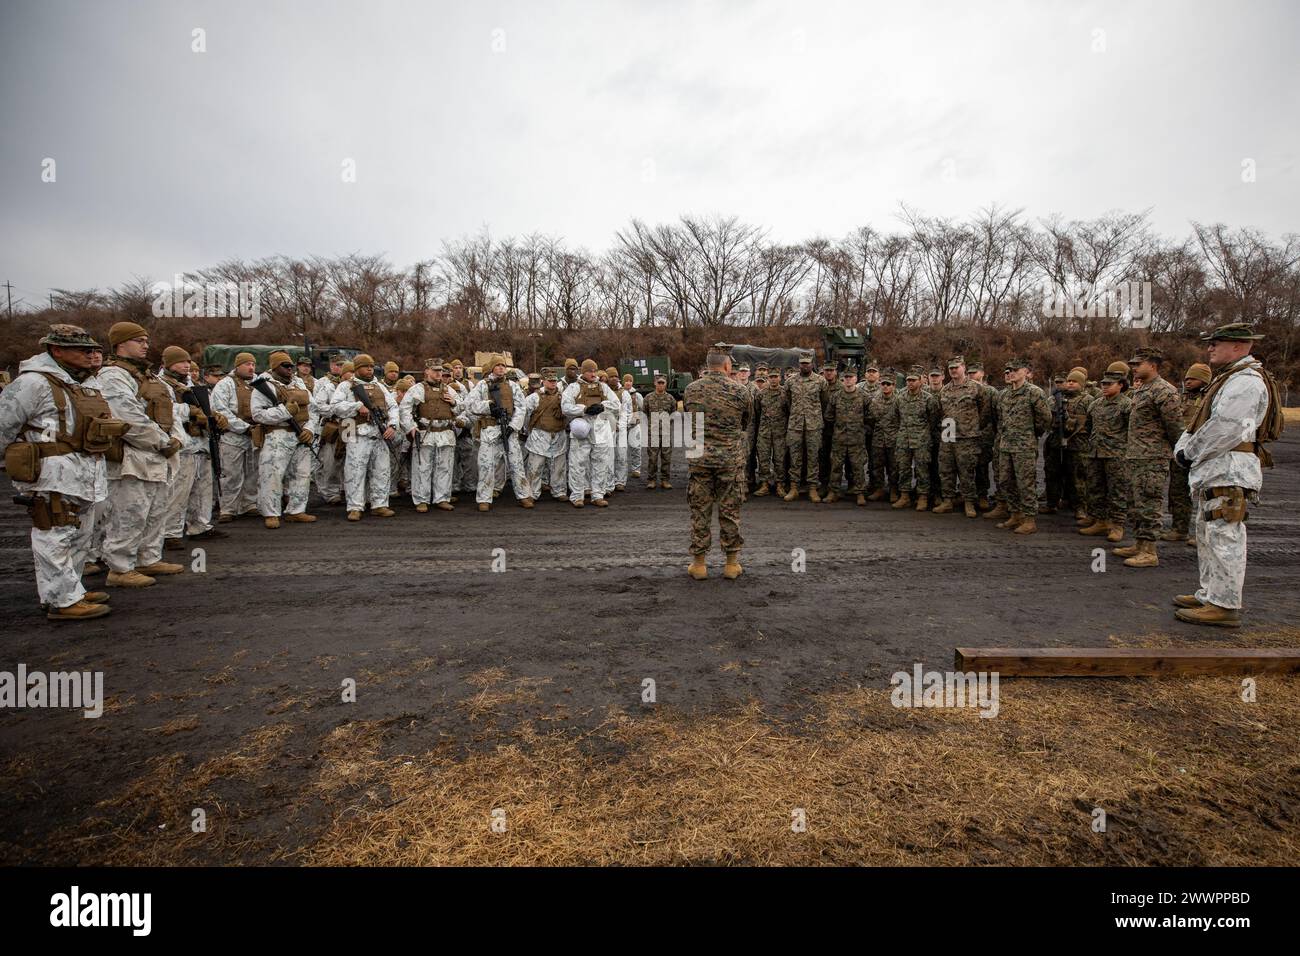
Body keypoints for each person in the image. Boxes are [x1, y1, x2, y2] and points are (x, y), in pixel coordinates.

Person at [0, 324, 126, 619]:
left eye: (92, 350)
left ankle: (72, 589)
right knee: (54, 533)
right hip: (52, 472)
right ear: (56, 350)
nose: (90, 355)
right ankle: (60, 599)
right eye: (81, 350)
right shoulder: (33, 382)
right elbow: (4, 425)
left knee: (80, 535)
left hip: (86, 470)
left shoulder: (81, 382)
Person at [1174, 323, 1278, 627]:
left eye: (1216, 343)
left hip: (1228, 469)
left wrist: (1188, 453)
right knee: (1208, 534)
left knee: (1224, 535)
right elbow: (1200, 423)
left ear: (1238, 346)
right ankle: (1211, 593)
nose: (1210, 348)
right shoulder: (1229, 379)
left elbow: (1226, 427)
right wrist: (1186, 447)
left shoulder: (1245, 383)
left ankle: (1225, 604)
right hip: (1217, 469)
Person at [96, 322, 186, 585]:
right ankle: (120, 567)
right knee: (129, 511)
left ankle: (148, 558)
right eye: (138, 341)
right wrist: (161, 441)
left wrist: (177, 439)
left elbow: (172, 411)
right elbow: (126, 415)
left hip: (160, 455)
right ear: (121, 344)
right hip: (133, 456)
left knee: (156, 510)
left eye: (146, 340)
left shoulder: (150, 377)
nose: (145, 345)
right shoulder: (112, 375)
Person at [1112, 347, 1185, 568]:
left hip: (1153, 457)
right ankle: (1139, 544)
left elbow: (1175, 427)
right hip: (1135, 456)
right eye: (1132, 364)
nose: (1133, 368)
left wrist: (1177, 452)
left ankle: (1150, 551)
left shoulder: (1164, 391)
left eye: (1138, 364)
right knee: (1135, 503)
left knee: (1149, 504)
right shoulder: (1142, 390)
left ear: (1152, 365)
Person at [684, 347, 750, 580]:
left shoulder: (691, 390)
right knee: (729, 511)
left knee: (700, 511)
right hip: (729, 460)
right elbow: (745, 422)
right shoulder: (740, 391)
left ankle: (699, 565)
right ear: (726, 367)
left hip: (700, 459)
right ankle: (731, 564)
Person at [250, 350, 319, 528]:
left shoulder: (299, 384)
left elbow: (313, 410)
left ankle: (296, 510)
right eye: (285, 366)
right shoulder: (263, 385)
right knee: (271, 475)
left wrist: (310, 430)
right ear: (274, 367)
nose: (290, 369)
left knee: (302, 474)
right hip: (277, 434)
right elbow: (258, 414)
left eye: (291, 366)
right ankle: (271, 513)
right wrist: (285, 412)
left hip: (301, 435)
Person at [329, 353, 399, 521]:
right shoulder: (346, 386)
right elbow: (335, 406)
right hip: (358, 434)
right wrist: (357, 406)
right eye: (365, 367)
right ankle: (355, 506)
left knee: (381, 470)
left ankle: (379, 504)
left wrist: (393, 425)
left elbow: (393, 406)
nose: (369, 369)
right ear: (357, 369)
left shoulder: (379, 386)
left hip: (379, 434)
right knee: (355, 470)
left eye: (371, 366)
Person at [989, 358, 1051, 534]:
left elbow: (1045, 419)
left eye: (1016, 369)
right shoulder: (1004, 395)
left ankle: (1029, 519)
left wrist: (1031, 433)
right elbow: (999, 420)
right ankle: (1015, 514)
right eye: (1009, 370)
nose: (1011, 373)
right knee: (1005, 481)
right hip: (1006, 445)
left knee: (1026, 483)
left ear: (1026, 372)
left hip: (1024, 446)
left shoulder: (1034, 393)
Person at [461, 356, 531, 511]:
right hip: (490, 430)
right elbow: (469, 405)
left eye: (503, 365)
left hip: (509, 430)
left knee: (517, 465)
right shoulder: (483, 385)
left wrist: (513, 426)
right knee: (486, 466)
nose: (501, 368)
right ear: (492, 368)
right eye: (497, 365)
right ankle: (484, 498)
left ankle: (524, 495)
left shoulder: (513, 385)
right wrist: (489, 407)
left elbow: (521, 407)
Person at [1079, 362, 1132, 543]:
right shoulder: (1095, 405)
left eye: (1109, 384)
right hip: (1095, 453)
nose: (1105, 386)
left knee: (1117, 491)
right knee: (1095, 488)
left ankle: (1117, 525)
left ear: (1121, 385)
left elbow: (1132, 431)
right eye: (1103, 383)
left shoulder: (1127, 405)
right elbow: (1088, 427)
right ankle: (1099, 520)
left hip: (1116, 455)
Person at [935, 355, 991, 517]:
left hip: (967, 437)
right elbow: (940, 411)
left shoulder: (976, 388)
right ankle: (947, 501)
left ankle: (969, 502)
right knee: (946, 470)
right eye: (951, 368)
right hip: (947, 435)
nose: (953, 370)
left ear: (964, 368)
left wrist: (973, 426)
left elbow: (985, 411)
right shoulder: (944, 390)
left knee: (967, 471)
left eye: (956, 367)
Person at [400, 359, 460, 512]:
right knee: (422, 468)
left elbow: (462, 408)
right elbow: (405, 409)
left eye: (440, 371)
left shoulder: (449, 390)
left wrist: (453, 403)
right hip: (426, 432)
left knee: (445, 468)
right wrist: (411, 427)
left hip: (445, 433)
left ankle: (442, 498)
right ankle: (421, 499)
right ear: (426, 371)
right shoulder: (417, 389)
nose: (439, 373)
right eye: (435, 370)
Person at [561, 359, 620, 508]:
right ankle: (577, 496)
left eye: (595, 371)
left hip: (601, 431)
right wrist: (584, 409)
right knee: (577, 464)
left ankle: (597, 495)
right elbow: (565, 407)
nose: (593, 373)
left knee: (600, 464)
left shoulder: (603, 387)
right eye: (589, 371)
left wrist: (602, 406)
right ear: (583, 372)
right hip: (582, 430)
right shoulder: (574, 388)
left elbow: (616, 404)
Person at [1164, 362, 1211, 542]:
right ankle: (1179, 528)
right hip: (1181, 453)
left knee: (1205, 495)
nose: (1188, 381)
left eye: (1193, 378)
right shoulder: (1180, 398)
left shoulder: (1210, 399)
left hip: (1203, 454)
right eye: (1187, 378)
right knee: (1178, 491)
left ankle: (1204, 534)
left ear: (1204, 380)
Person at [211, 351, 260, 521]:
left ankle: (249, 504)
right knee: (230, 473)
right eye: (247, 364)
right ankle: (228, 508)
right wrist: (244, 428)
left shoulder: (258, 383)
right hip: (232, 436)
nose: (251, 367)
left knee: (253, 472)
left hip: (254, 435)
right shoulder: (224, 384)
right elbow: (221, 410)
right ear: (237, 366)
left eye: (253, 364)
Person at [892, 366, 939, 511]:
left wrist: (924, 433)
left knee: (922, 469)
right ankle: (905, 496)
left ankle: (922, 497)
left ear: (921, 381)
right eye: (908, 380)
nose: (910, 383)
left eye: (913, 380)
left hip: (921, 439)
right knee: (903, 467)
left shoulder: (928, 399)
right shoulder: (900, 397)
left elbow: (933, 419)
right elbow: (896, 417)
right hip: (904, 438)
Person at [783, 355, 826, 501]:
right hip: (795, 425)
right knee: (795, 457)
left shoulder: (820, 381)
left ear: (812, 364)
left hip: (814, 425)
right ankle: (794, 488)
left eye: (807, 363)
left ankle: (812, 488)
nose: (805, 366)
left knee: (813, 457)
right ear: (798, 365)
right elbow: (787, 402)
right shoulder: (790, 381)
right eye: (802, 364)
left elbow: (824, 401)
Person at [824, 365, 869, 504]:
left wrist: (861, 429)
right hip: (840, 438)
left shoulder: (863, 396)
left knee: (858, 467)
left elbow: (870, 416)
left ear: (856, 379)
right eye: (846, 378)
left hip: (857, 439)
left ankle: (860, 493)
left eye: (851, 377)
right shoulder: (836, 396)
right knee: (836, 466)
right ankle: (833, 492)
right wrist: (839, 427)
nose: (848, 380)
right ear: (842, 380)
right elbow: (829, 416)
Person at [310, 353, 346, 505]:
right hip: (331, 424)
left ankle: (344, 487)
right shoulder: (323, 383)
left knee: (346, 459)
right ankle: (330, 492)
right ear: (331, 366)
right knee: (330, 460)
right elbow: (316, 406)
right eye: (337, 365)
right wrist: (336, 409)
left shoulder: (348, 381)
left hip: (348, 424)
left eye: (342, 365)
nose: (340, 367)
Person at [752, 367, 788, 496]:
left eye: (775, 377)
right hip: (764, 432)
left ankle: (780, 484)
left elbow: (788, 412)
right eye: (771, 377)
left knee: (779, 459)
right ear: (768, 378)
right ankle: (764, 484)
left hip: (780, 432)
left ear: (780, 378)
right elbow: (756, 412)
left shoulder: (785, 393)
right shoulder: (761, 394)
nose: (773, 379)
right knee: (763, 458)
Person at [867, 370, 901, 502]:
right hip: (878, 438)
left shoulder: (899, 400)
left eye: (888, 384)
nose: (885, 386)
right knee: (877, 465)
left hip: (894, 438)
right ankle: (879, 489)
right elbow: (870, 419)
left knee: (894, 466)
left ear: (893, 385)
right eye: (883, 384)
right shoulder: (874, 400)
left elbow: (902, 418)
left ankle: (893, 490)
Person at [643, 373, 677, 490]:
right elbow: (645, 413)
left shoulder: (670, 398)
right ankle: (651, 480)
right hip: (653, 433)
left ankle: (665, 480)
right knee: (652, 458)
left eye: (663, 383)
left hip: (666, 433)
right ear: (655, 383)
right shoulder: (648, 398)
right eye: (659, 383)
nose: (661, 385)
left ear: (666, 384)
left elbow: (673, 413)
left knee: (666, 458)